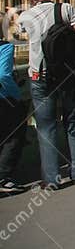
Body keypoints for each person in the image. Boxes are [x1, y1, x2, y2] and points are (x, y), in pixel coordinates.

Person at [20, 0, 75, 187]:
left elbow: (20, 33)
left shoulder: (26, 16)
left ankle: (51, 179)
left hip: (40, 77)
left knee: (47, 127)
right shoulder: (65, 9)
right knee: (74, 122)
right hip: (68, 74)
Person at [0, 15, 27, 193]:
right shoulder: (5, 47)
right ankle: (3, 179)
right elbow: (3, 76)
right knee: (14, 135)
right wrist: (16, 96)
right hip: (4, 100)